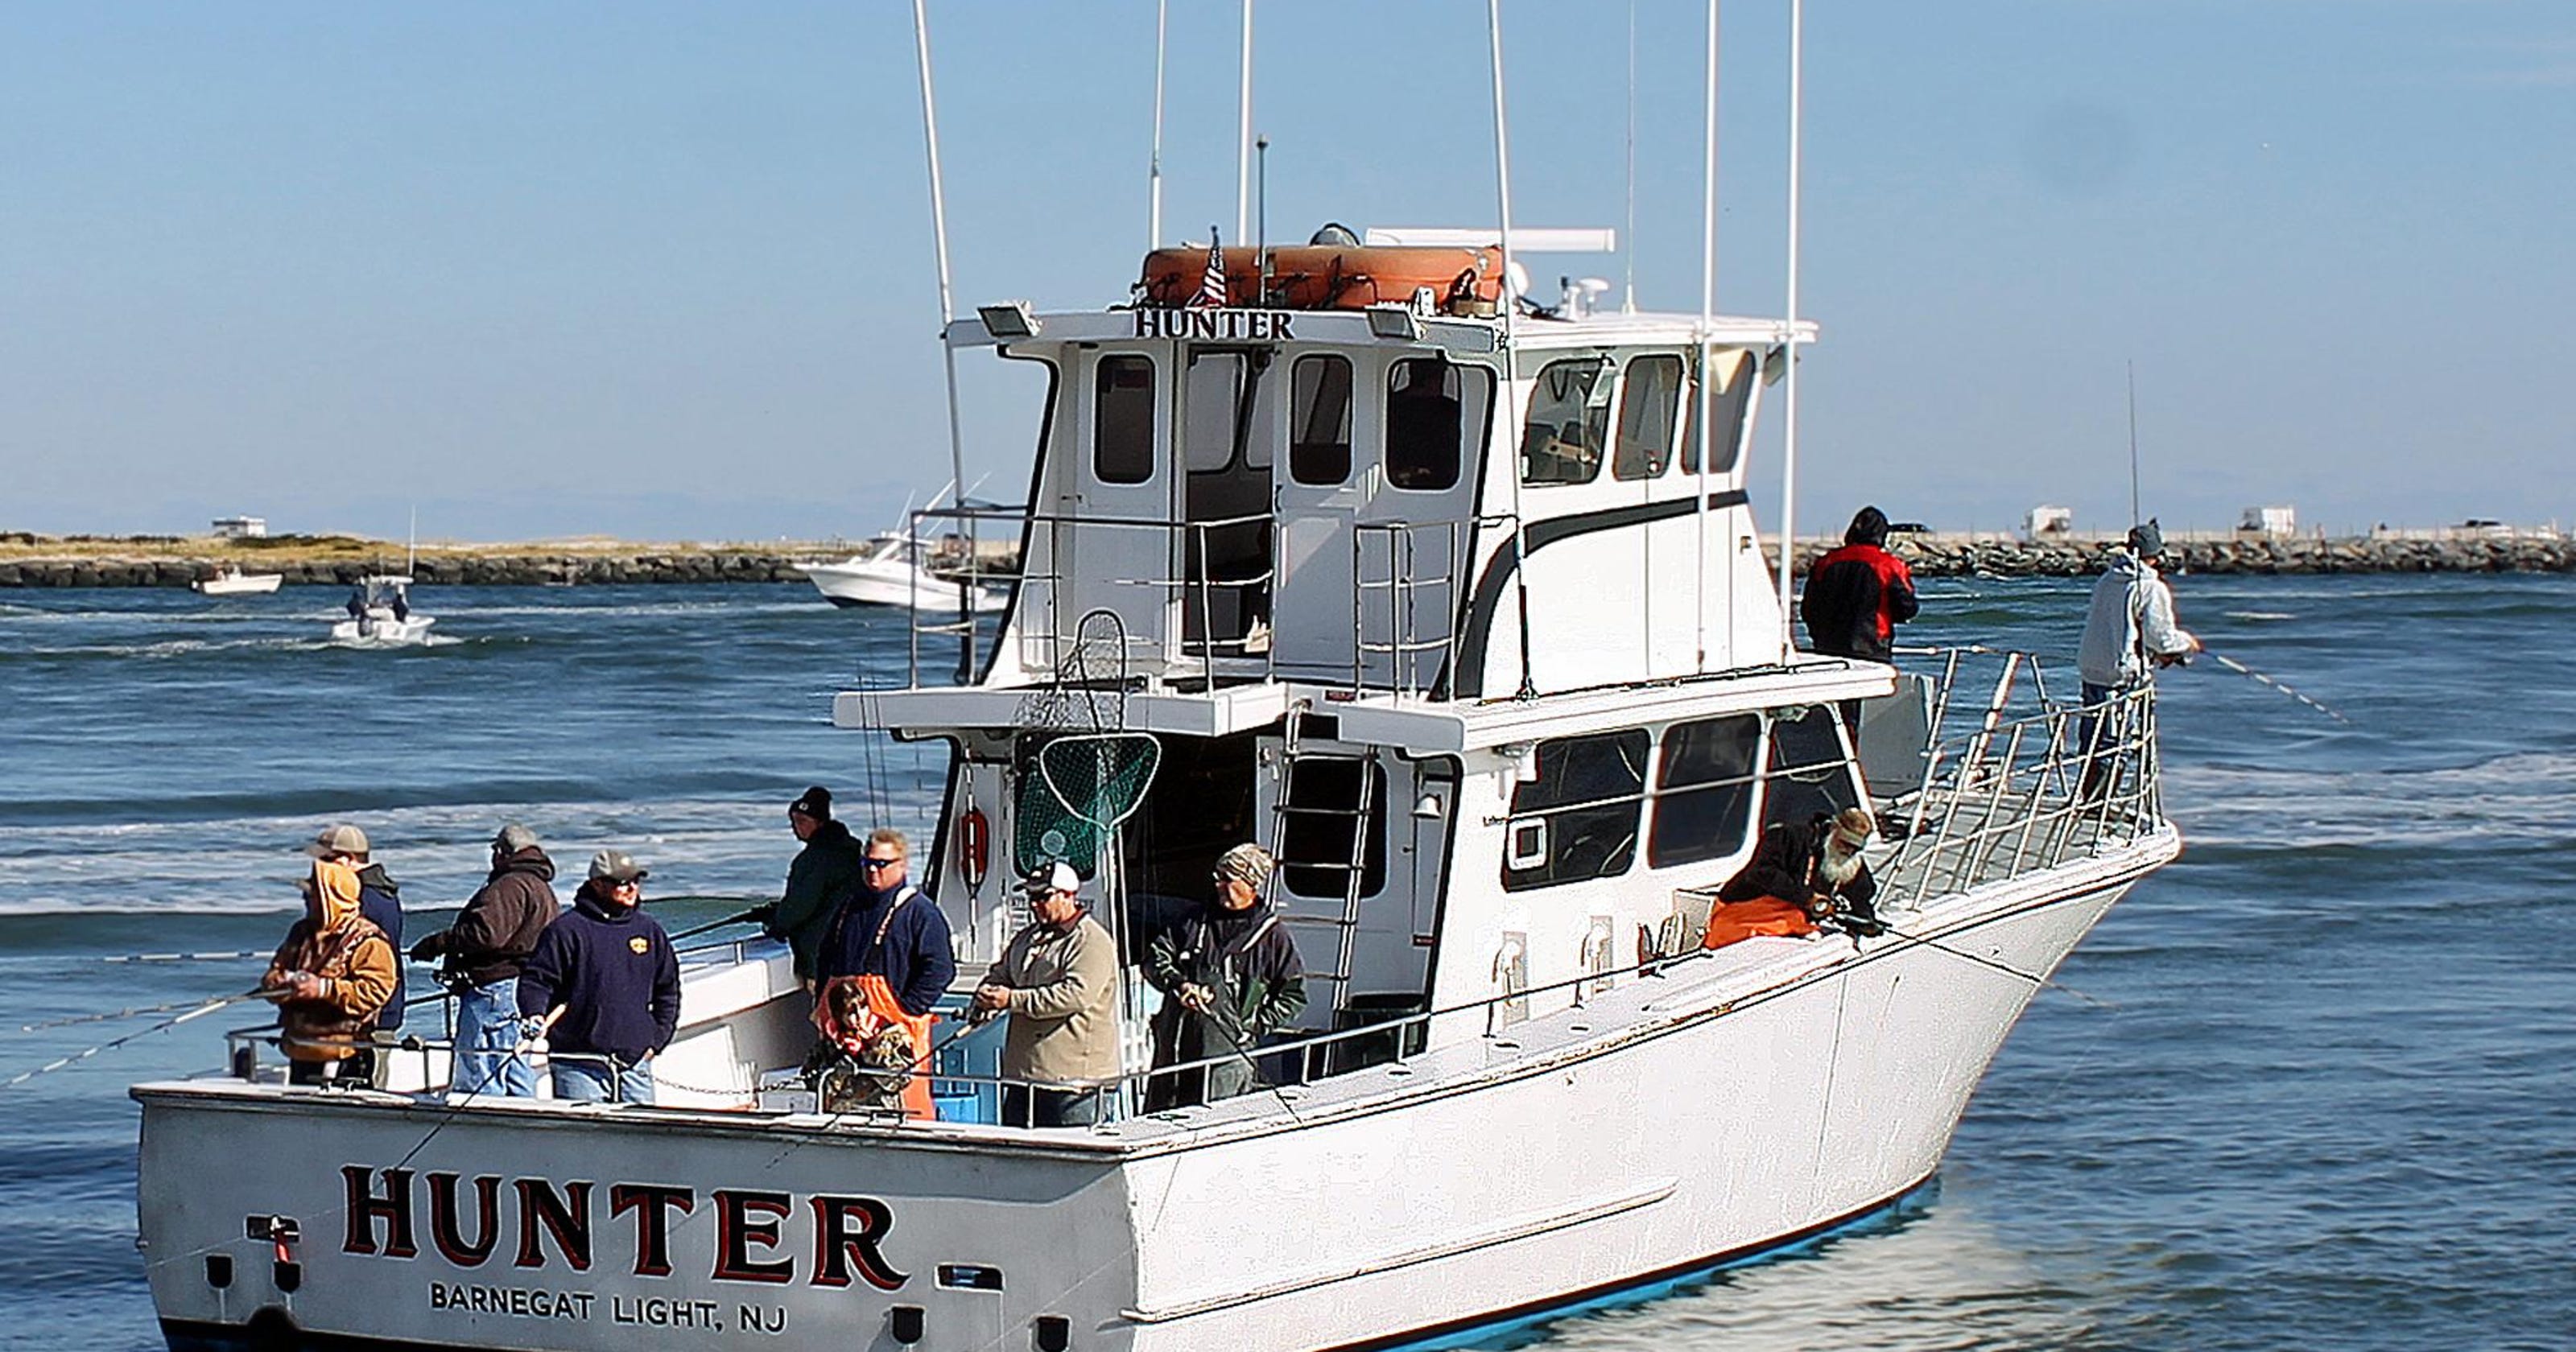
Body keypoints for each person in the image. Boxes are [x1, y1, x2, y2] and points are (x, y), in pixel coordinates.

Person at [1146, 843, 1306, 1108]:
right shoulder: (1193, 922)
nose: (1218, 885)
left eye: (1226, 879)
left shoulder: (1272, 937)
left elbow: (1293, 997)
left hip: (1229, 1060)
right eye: (1217, 878)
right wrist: (1180, 985)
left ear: (1249, 883)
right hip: (1174, 1052)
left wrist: (1252, 1025)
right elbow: (1155, 959)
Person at [517, 850, 679, 1105]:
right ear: (598, 884)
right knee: (585, 1142)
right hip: (578, 1064)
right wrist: (534, 1014)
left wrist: (656, 1040)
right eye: (623, 882)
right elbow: (537, 980)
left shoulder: (649, 931)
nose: (632, 888)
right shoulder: (567, 930)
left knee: (641, 1141)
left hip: (634, 1063)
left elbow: (667, 990)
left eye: (636, 881)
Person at [814, 829, 956, 1121]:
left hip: (894, 1036)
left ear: (902, 865)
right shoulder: (847, 908)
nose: (873, 871)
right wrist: (825, 1008)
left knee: (904, 1106)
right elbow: (825, 959)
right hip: (844, 1033)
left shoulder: (920, 912)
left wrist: (907, 1009)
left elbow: (941, 968)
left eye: (882, 864)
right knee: (840, 1108)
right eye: (868, 863)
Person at [409, 824, 560, 1097]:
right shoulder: (541, 887)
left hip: (494, 988)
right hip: (523, 987)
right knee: (515, 1064)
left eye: (494, 850)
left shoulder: (509, 885)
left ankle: (482, 1128)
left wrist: (439, 943)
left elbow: (487, 935)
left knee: (480, 1066)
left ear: (502, 852)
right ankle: (522, 1128)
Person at [973, 862, 1120, 1128]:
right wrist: (986, 994)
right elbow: (1002, 972)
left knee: (1075, 1164)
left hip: (1075, 1085)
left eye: (1043, 896)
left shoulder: (1091, 941)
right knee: (1018, 1160)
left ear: (1068, 895)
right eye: (1031, 896)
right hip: (1024, 1080)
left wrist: (1012, 1000)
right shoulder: (1027, 938)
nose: (1034, 904)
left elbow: (1076, 995)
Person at [2076, 520, 2200, 798]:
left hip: (2092, 668)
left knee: (2091, 740)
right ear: (2156, 554)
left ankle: (2086, 798)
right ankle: (2097, 808)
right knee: (2115, 744)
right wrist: (2187, 644)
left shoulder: (2107, 579)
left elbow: (2123, 628)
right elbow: (2162, 637)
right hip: (2121, 676)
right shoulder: (2150, 587)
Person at [262, 858, 398, 1086]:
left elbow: (376, 992)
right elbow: (274, 973)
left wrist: (323, 988)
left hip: (347, 1052)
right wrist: (280, 985)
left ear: (333, 897)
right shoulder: (301, 933)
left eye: (314, 894)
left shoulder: (368, 941)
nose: (308, 899)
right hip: (301, 1048)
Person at [1708, 807, 1882, 948]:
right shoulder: (1788, 836)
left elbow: (1861, 891)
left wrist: (1866, 921)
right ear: (1834, 829)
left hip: (1796, 918)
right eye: (1845, 843)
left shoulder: (1848, 859)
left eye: (1855, 848)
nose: (1849, 851)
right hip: (1745, 909)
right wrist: (1806, 897)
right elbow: (1763, 873)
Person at [749, 785, 868, 984]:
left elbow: (799, 907)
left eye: (803, 821)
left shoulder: (814, 859)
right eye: (794, 822)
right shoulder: (852, 849)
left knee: (829, 1011)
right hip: (855, 951)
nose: (797, 827)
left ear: (820, 822)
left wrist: (777, 924)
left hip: (822, 956)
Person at [303, 825, 403, 1043]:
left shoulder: (359, 899)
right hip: (380, 1006)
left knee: (364, 1073)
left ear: (346, 859)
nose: (321, 869)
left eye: (326, 860)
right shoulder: (383, 891)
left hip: (367, 1013)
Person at [1802, 505, 1919, 663]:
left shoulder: (1825, 563)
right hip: (1872, 646)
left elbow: (1809, 608)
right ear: (1882, 534)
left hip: (1827, 646)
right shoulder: (1888, 565)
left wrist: (1817, 633)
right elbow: (1908, 607)